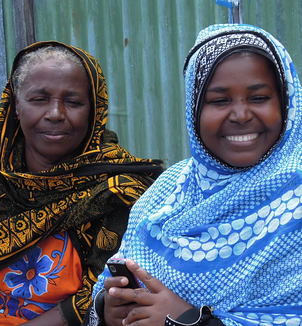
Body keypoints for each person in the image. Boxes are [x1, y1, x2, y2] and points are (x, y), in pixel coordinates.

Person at [89, 24, 302, 326]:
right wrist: (111, 308)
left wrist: (189, 320)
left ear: (286, 104)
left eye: (258, 98)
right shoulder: (169, 189)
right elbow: (120, 285)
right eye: (219, 101)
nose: (241, 115)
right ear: (193, 111)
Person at [0, 41, 163, 325]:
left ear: (94, 111)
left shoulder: (121, 189)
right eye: (39, 99)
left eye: (73, 102)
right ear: (15, 106)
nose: (55, 113)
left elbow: (108, 297)